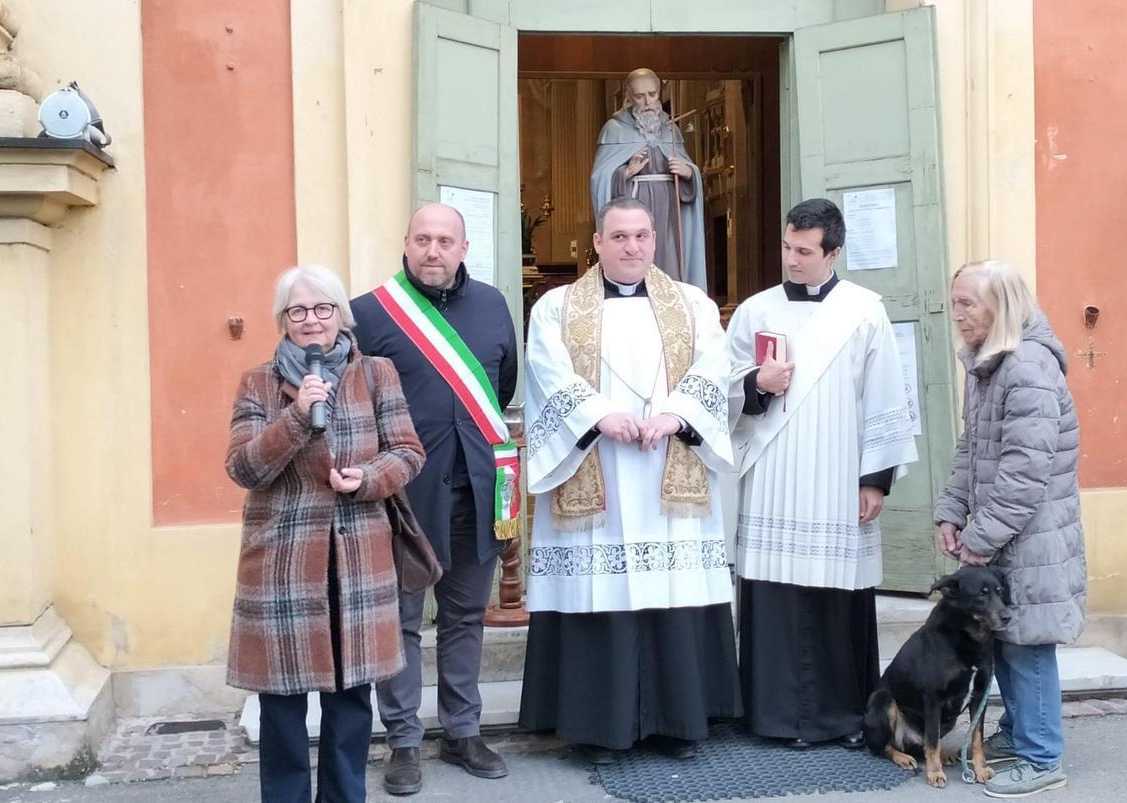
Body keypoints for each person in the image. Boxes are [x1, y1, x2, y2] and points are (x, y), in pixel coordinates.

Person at [517, 197, 739, 762]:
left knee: (672, 591)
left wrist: (677, 416)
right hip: (601, 471)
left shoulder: (691, 305)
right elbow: (546, 370)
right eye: (619, 237)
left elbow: (714, 365)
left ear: (654, 240)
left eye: (641, 235)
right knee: (601, 592)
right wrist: (597, 416)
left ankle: (678, 723)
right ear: (597, 243)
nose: (632, 247)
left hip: (670, 468)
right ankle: (599, 730)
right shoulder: (558, 307)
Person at [225, 264, 425, 803]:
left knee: (352, 700)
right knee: (283, 705)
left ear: (340, 314)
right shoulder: (258, 383)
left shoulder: (377, 373)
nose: (312, 320)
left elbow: (408, 452)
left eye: (322, 308)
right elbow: (244, 468)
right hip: (283, 564)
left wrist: (367, 478)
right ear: (282, 321)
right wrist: (296, 414)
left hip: (358, 558)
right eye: (298, 311)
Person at [726, 198, 918, 748]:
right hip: (773, 475)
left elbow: (885, 397)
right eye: (787, 247)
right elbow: (721, 385)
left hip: (837, 475)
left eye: (805, 251)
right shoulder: (756, 311)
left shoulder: (863, 312)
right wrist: (756, 386)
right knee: (773, 591)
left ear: (833, 252)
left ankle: (839, 716)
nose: (792, 259)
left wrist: (874, 479)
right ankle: (769, 715)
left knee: (836, 592)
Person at [351, 203, 519, 795]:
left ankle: (462, 731)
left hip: (475, 491)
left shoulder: (494, 306)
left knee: (465, 616)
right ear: (405, 243)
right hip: (401, 498)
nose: (432, 250)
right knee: (398, 621)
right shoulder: (369, 313)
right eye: (422, 239)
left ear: (463, 247)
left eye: (445, 240)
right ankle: (402, 741)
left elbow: (503, 387)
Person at [933, 260, 1086, 799]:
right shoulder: (988, 364)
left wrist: (978, 539)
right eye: (954, 303)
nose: (957, 315)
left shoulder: (1026, 367)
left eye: (966, 304)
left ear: (1001, 306)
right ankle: (1019, 735)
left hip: (1032, 538)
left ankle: (1043, 758)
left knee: (1028, 644)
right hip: (1006, 537)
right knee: (1004, 639)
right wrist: (951, 510)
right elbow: (971, 448)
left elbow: (1026, 471)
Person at [590, 67, 707, 290]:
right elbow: (599, 179)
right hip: (634, 204)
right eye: (640, 96)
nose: (647, 102)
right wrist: (625, 172)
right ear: (628, 96)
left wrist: (688, 173)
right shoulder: (614, 129)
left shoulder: (671, 128)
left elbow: (689, 172)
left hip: (669, 211)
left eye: (652, 95)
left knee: (668, 256)